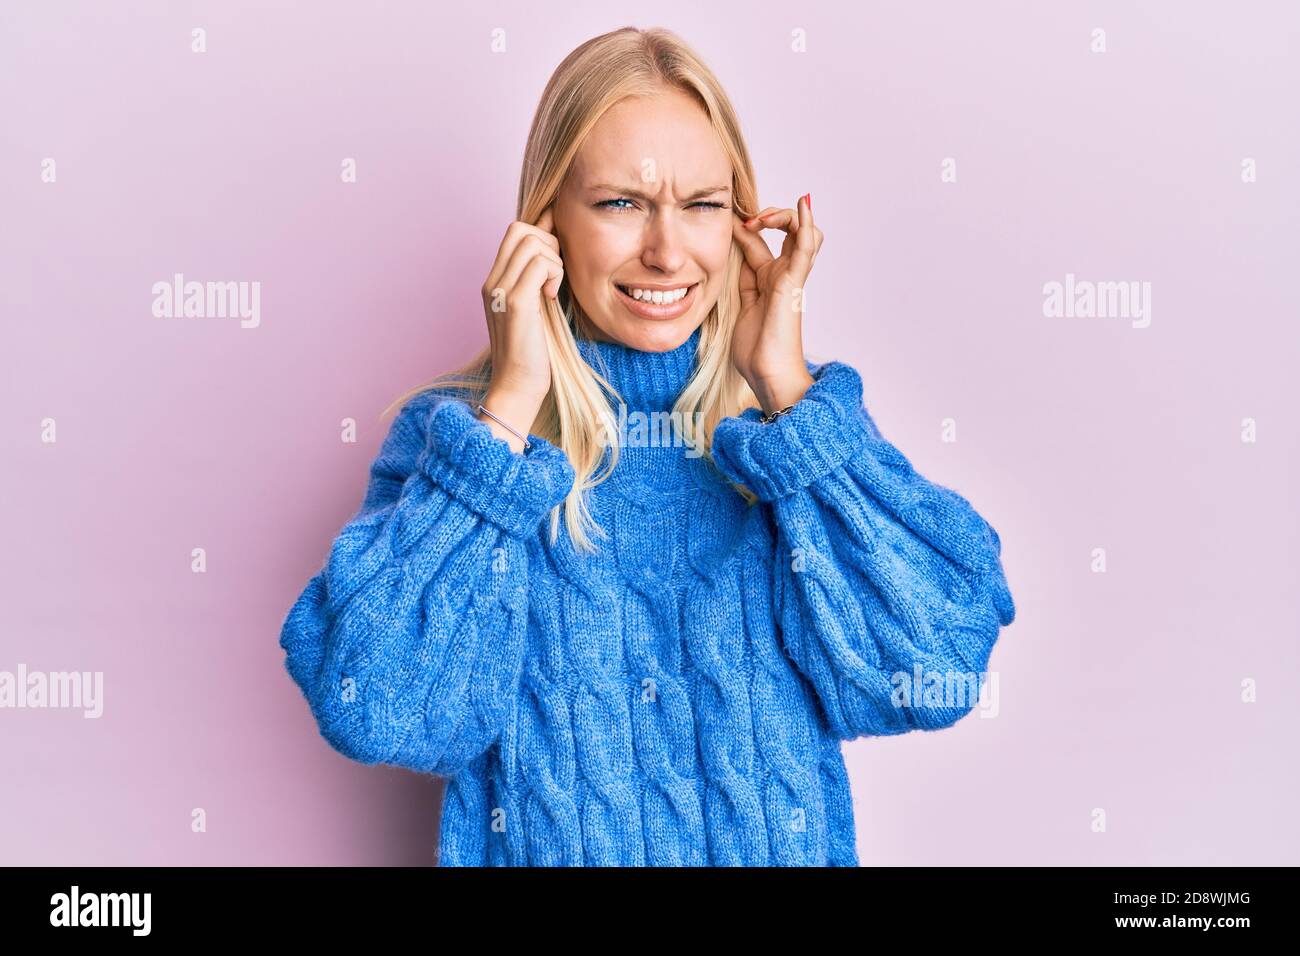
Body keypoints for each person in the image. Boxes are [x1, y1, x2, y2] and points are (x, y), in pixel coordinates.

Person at [278, 26, 1016, 866]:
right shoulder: (464, 445)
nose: (666, 252)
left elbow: (935, 668)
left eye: (700, 204)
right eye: (621, 203)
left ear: (740, 222)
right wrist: (509, 414)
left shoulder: (785, 443)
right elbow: (380, 707)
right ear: (546, 217)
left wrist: (788, 394)